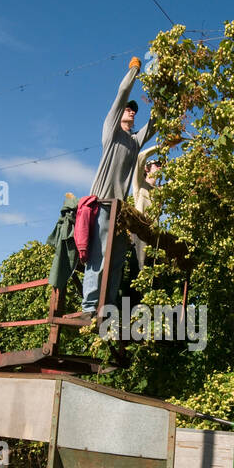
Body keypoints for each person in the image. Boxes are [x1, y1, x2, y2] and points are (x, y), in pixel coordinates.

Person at [80, 57, 157, 315]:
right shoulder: (111, 132)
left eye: (135, 110)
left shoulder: (135, 142)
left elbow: (156, 122)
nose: (132, 111)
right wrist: (135, 70)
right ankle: (90, 306)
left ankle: (108, 308)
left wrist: (163, 89)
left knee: (115, 262)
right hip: (102, 204)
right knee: (98, 257)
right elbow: (122, 92)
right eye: (128, 109)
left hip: (121, 211)